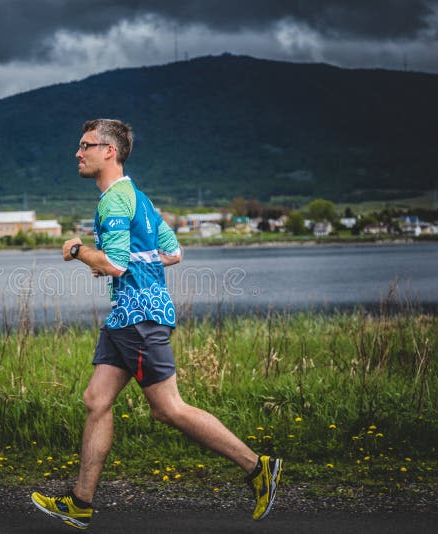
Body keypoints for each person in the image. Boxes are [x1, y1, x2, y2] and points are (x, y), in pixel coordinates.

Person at [31, 119, 282, 530]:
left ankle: (257, 468)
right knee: (96, 400)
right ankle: (80, 502)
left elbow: (114, 262)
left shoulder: (114, 201)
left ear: (109, 151)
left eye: (86, 145)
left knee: (168, 408)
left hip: (139, 319)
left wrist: (79, 250)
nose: (78, 153)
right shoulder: (140, 199)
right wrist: (122, 267)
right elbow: (173, 253)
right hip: (126, 318)